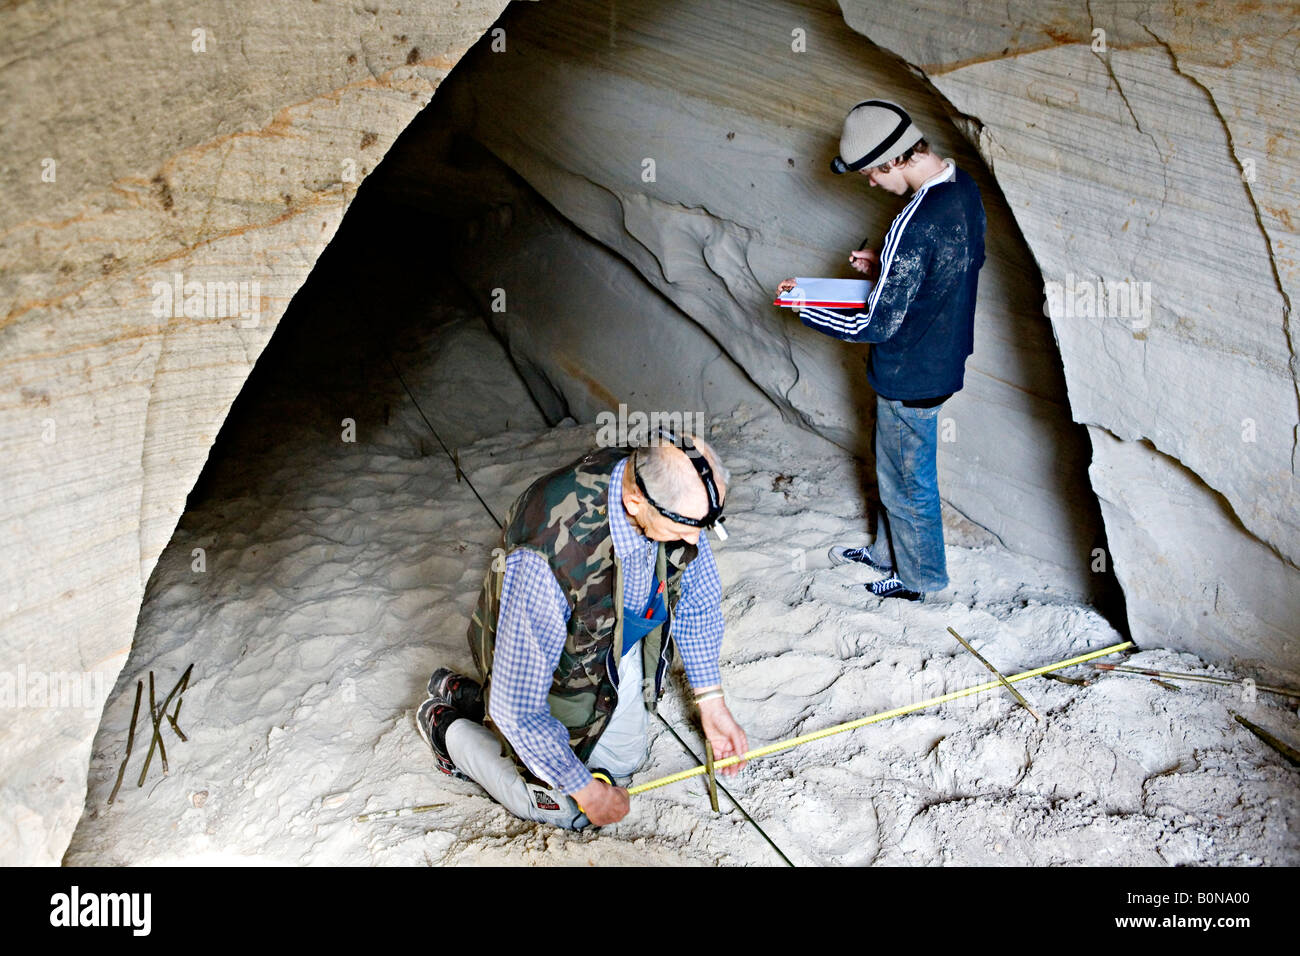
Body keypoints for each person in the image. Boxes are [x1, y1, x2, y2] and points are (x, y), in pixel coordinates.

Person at [416, 431, 748, 827]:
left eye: (706, 523)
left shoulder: (673, 497)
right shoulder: (547, 553)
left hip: (609, 646)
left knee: (623, 764)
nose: (696, 539)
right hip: (548, 663)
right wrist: (587, 793)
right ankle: (446, 729)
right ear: (634, 499)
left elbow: (698, 599)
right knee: (572, 811)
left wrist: (711, 702)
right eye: (686, 527)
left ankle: (471, 697)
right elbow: (519, 707)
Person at [778, 99, 986, 602]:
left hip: (908, 369)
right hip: (939, 356)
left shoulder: (914, 221)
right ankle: (890, 554)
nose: (871, 183)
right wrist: (889, 269)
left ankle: (919, 581)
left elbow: (874, 322)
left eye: (872, 172)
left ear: (896, 160)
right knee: (896, 467)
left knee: (908, 482)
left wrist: (804, 304)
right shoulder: (962, 189)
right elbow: (954, 264)